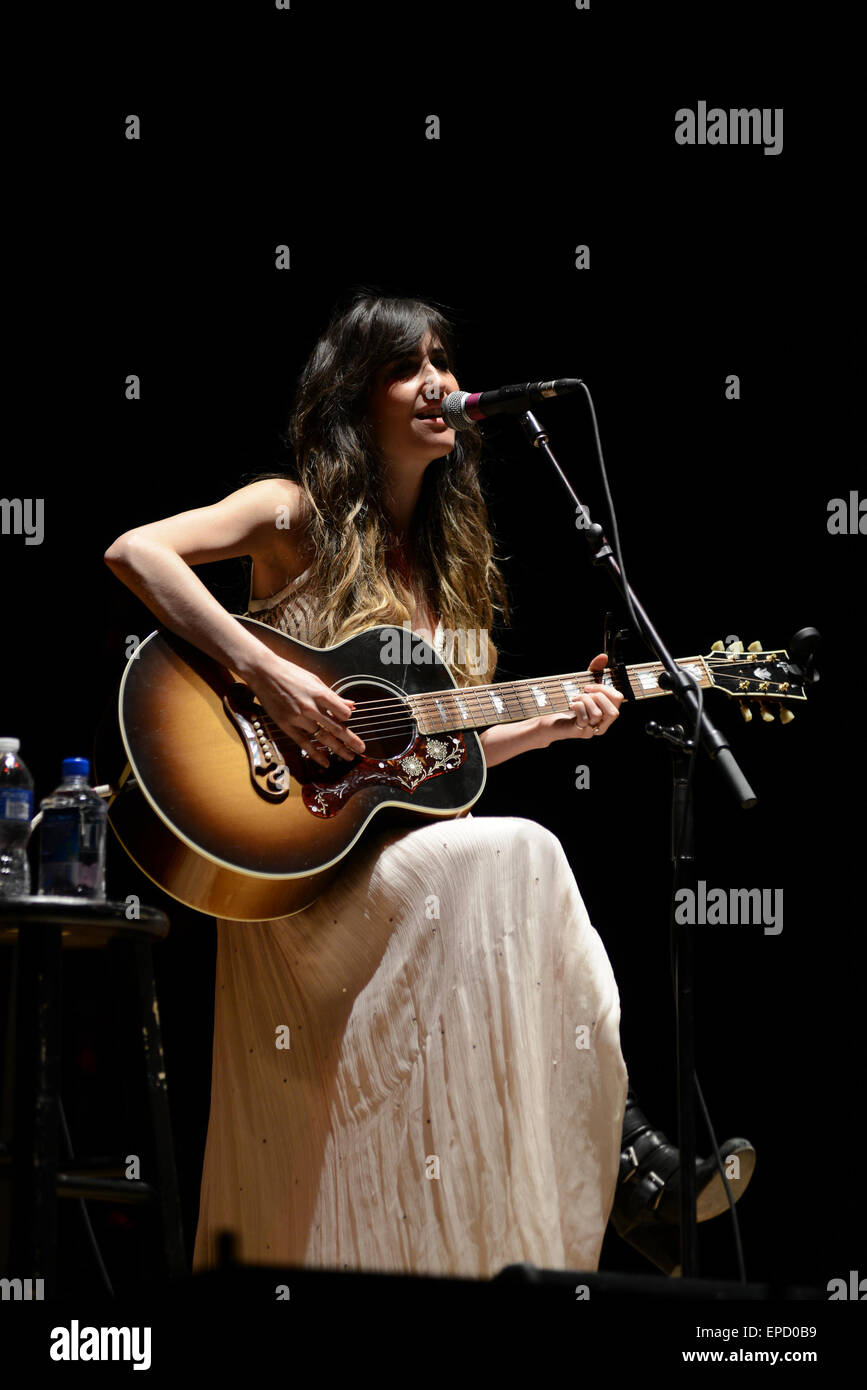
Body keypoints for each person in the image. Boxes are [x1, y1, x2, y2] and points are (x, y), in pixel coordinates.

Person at [104, 290, 752, 1280]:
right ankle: (634, 1169)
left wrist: (549, 724)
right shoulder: (294, 512)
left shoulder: (448, 577)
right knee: (521, 849)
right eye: (411, 365)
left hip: (391, 865)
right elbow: (137, 552)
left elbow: (435, 768)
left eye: (446, 360)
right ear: (356, 396)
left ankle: (609, 1169)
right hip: (300, 878)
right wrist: (267, 673)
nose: (440, 382)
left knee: (503, 850)